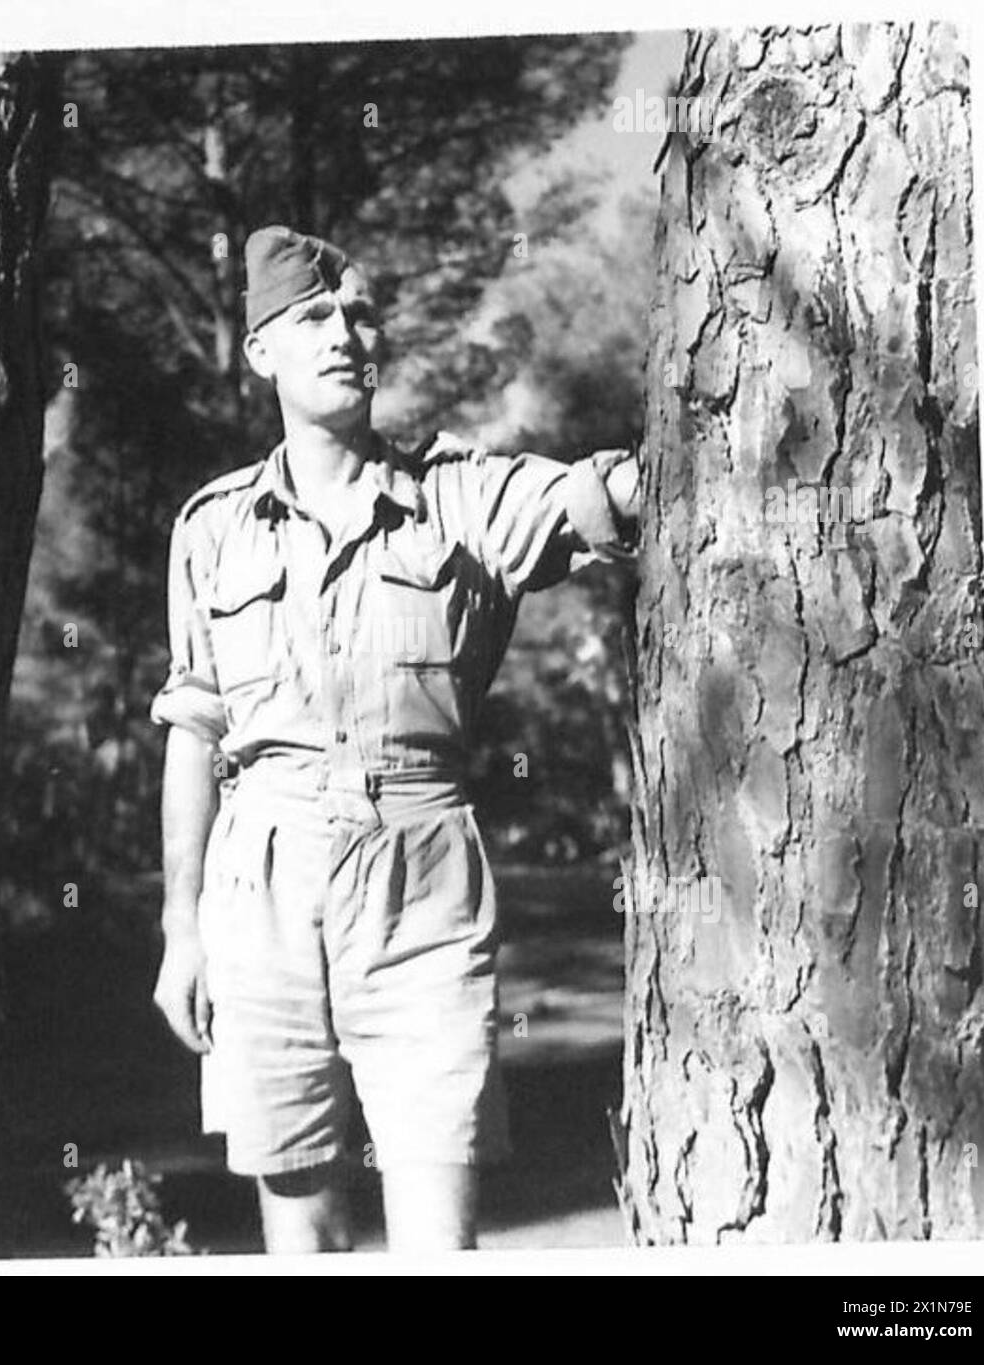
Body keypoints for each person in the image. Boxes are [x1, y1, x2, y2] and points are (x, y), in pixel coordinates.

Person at [150, 224, 639, 1253]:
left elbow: (593, 499)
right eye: (315, 319)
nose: (346, 335)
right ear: (261, 353)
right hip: (262, 889)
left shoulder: (458, 495)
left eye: (363, 316)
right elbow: (194, 726)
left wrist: (655, 465)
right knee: (305, 1238)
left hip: (420, 880)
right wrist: (181, 929)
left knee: (435, 1242)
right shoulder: (213, 528)